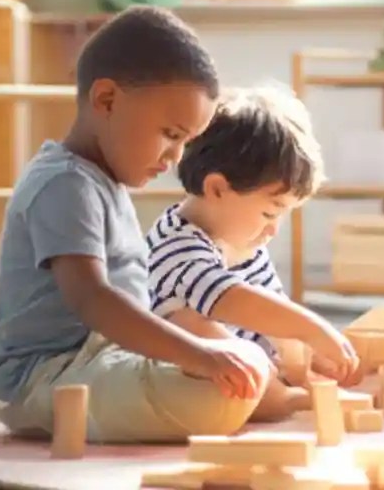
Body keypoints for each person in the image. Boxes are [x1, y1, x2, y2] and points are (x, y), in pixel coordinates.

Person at [0, 5, 270, 443]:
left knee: (244, 361)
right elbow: (94, 300)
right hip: (44, 377)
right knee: (217, 390)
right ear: (106, 101)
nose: (176, 156)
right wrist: (198, 357)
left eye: (185, 141)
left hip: (103, 360)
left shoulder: (106, 181)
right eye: (170, 134)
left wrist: (204, 356)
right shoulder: (65, 183)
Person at [145, 85, 359, 422]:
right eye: (270, 213)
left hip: (252, 367)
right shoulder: (176, 246)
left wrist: (303, 354)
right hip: (177, 380)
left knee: (288, 329)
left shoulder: (243, 241)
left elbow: (272, 313)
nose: (273, 230)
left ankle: (299, 386)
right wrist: (311, 328)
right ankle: (284, 401)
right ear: (217, 189)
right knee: (191, 324)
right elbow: (229, 299)